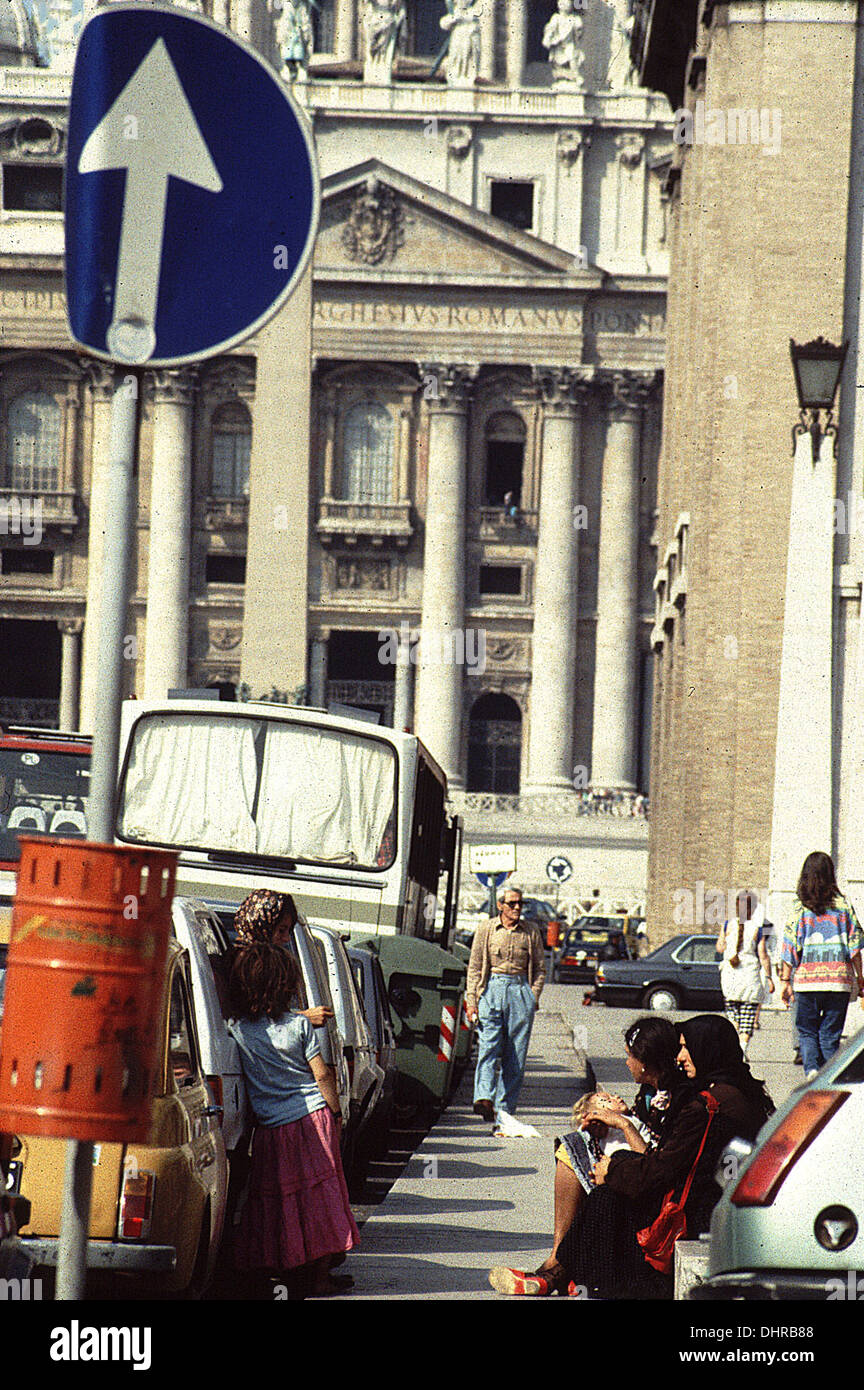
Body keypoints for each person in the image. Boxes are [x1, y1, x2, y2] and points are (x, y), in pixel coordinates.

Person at [510, 1014, 773, 1299]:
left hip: (699, 1215)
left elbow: (660, 1169)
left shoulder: (705, 1105)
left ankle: (562, 1272)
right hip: (713, 1204)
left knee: (605, 1197)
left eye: (687, 1047)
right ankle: (561, 1271)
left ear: (707, 1049)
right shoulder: (738, 1094)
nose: (681, 1056)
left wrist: (613, 1168)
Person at [489, 1015, 682, 1296]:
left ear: (646, 1060)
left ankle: (555, 1269)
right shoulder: (649, 1093)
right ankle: (556, 1260)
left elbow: (654, 1166)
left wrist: (624, 1125)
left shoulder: (678, 1100)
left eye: (630, 1057)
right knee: (572, 1146)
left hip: (656, 1196)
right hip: (635, 1175)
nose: (627, 1063)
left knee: (594, 1176)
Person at [228, 942, 359, 1297]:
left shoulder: (237, 1030)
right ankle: (319, 1279)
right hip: (312, 1118)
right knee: (320, 1197)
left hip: (272, 1130)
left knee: (276, 1200)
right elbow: (321, 1075)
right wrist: (335, 1111)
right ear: (285, 985)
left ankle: (278, 1271)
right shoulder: (299, 1026)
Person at [780, 851, 864, 1081]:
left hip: (807, 982)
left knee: (807, 1031)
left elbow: (789, 946)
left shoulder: (800, 908)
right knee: (830, 1036)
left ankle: (812, 1072)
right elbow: (855, 946)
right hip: (838, 982)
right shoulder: (843, 907)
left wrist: (785, 981)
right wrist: (860, 978)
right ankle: (832, 1078)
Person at [466, 886, 546, 1122]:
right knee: (488, 1047)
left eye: (520, 903)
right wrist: (472, 1000)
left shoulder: (530, 931)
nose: (517, 908)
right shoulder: (486, 929)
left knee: (515, 1054)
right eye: (512, 904)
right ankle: (483, 1098)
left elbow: (540, 969)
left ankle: (505, 1110)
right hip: (492, 989)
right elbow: (474, 967)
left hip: (520, 991)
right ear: (500, 905)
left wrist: (533, 996)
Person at [716, 889, 774, 1057]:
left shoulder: (727, 924)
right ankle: (742, 1051)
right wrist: (769, 978)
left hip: (730, 979)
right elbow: (763, 955)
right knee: (747, 1021)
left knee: (733, 1018)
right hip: (750, 979)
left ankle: (734, 1053)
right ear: (753, 909)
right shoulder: (758, 929)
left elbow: (720, 947)